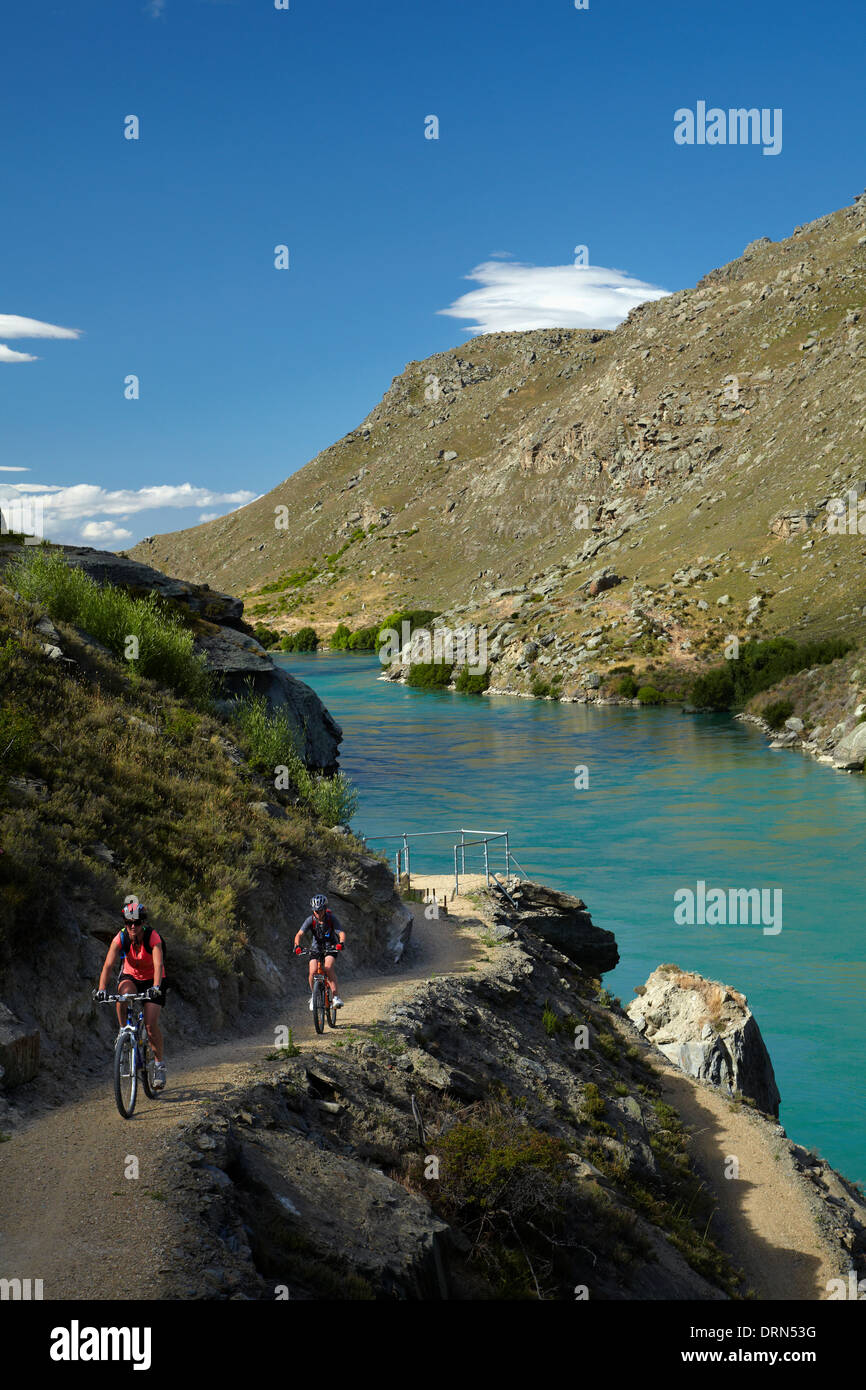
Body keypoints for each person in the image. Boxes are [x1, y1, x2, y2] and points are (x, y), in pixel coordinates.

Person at [94, 895, 168, 1091]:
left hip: (154, 979)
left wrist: (156, 987)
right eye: (128, 923)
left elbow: (159, 964)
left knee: (151, 1025)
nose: (132, 927)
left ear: (143, 923)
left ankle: (159, 1066)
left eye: (136, 922)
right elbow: (108, 965)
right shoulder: (120, 938)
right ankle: (123, 1030)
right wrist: (101, 989)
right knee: (122, 995)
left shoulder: (153, 937)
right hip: (131, 976)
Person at [294, 894, 345, 1010]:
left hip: (331, 947)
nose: (317, 913)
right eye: (315, 911)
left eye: (320, 910)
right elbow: (299, 934)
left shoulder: (331, 919)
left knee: (328, 967)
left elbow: (341, 933)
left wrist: (341, 943)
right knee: (312, 971)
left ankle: (336, 997)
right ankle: (314, 995)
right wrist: (297, 945)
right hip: (316, 948)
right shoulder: (310, 920)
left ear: (325, 909)